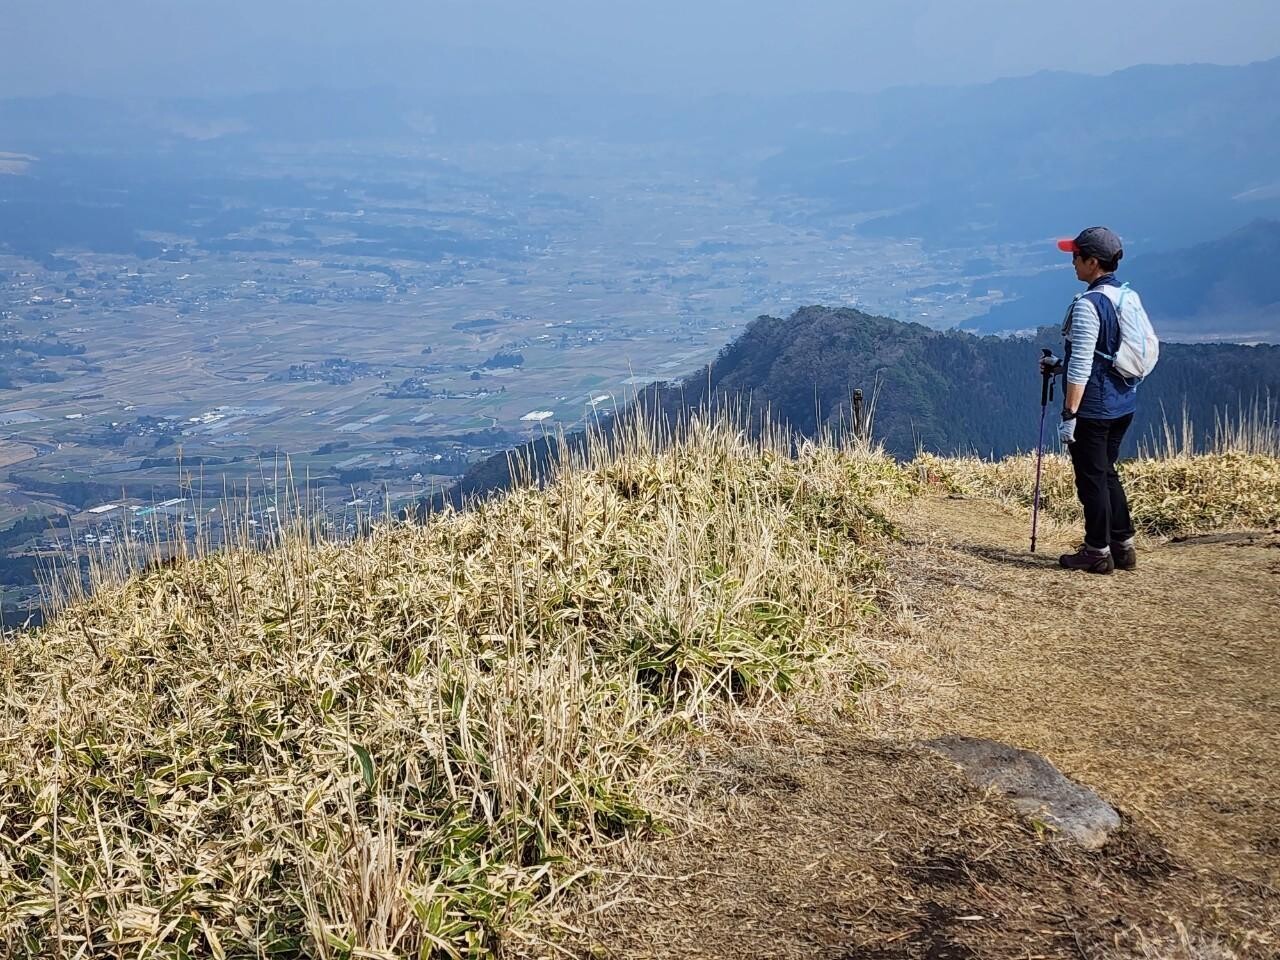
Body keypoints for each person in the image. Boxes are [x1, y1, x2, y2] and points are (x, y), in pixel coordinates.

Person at [1042, 226, 1138, 574]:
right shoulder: (1125, 296)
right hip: (1123, 402)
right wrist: (1060, 365)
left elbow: (1082, 365)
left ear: (1093, 262)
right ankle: (1122, 545)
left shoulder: (1088, 306)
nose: (1073, 262)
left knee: (1091, 479)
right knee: (1106, 472)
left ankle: (1096, 551)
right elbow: (1107, 352)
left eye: (1076, 256)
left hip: (1094, 407)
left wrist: (1070, 414)